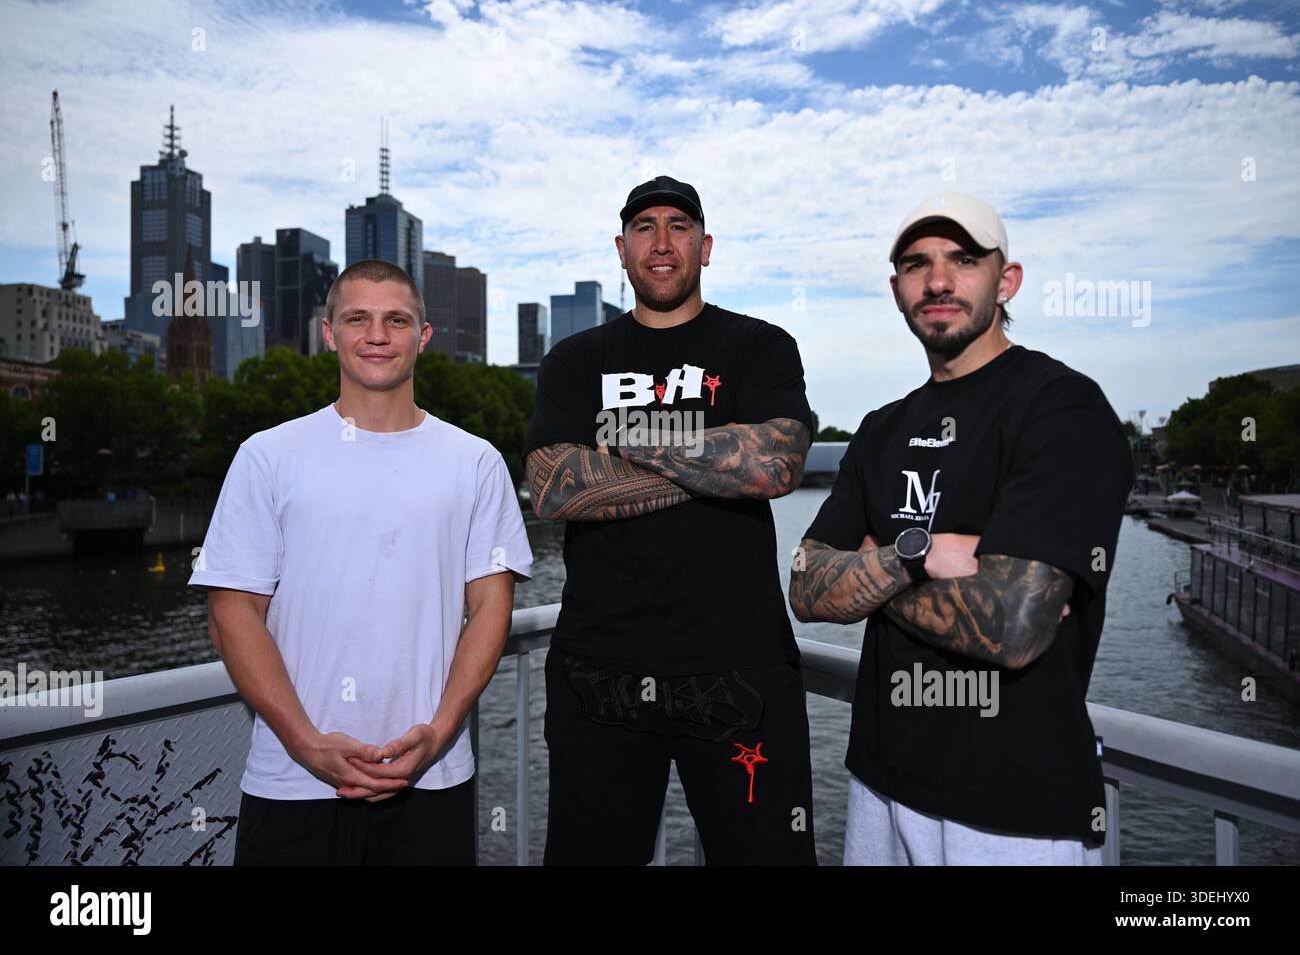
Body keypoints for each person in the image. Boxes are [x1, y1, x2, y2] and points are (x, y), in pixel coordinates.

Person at [789, 192, 1133, 865]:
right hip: (880, 786)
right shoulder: (882, 427)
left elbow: (1012, 625)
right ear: (897, 291)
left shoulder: (1062, 408)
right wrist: (920, 555)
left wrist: (873, 564)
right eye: (917, 265)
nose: (938, 281)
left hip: (1014, 811)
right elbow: (804, 586)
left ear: (1007, 281)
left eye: (963, 260)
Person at [189, 259, 532, 865]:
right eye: (358, 319)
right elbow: (233, 611)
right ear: (329, 332)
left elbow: (489, 608)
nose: (377, 335)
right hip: (293, 781)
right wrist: (306, 743)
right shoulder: (267, 456)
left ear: (423, 338)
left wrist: (438, 732)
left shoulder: (475, 461)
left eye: (396, 320)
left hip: (433, 776)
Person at [525, 176, 817, 865]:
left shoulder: (760, 346)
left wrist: (622, 448)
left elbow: (776, 466)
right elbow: (552, 489)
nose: (662, 242)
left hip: (740, 672)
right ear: (621, 250)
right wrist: (718, 462)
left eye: (679, 226)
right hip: (599, 674)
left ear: (705, 246)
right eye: (645, 227)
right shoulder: (576, 360)